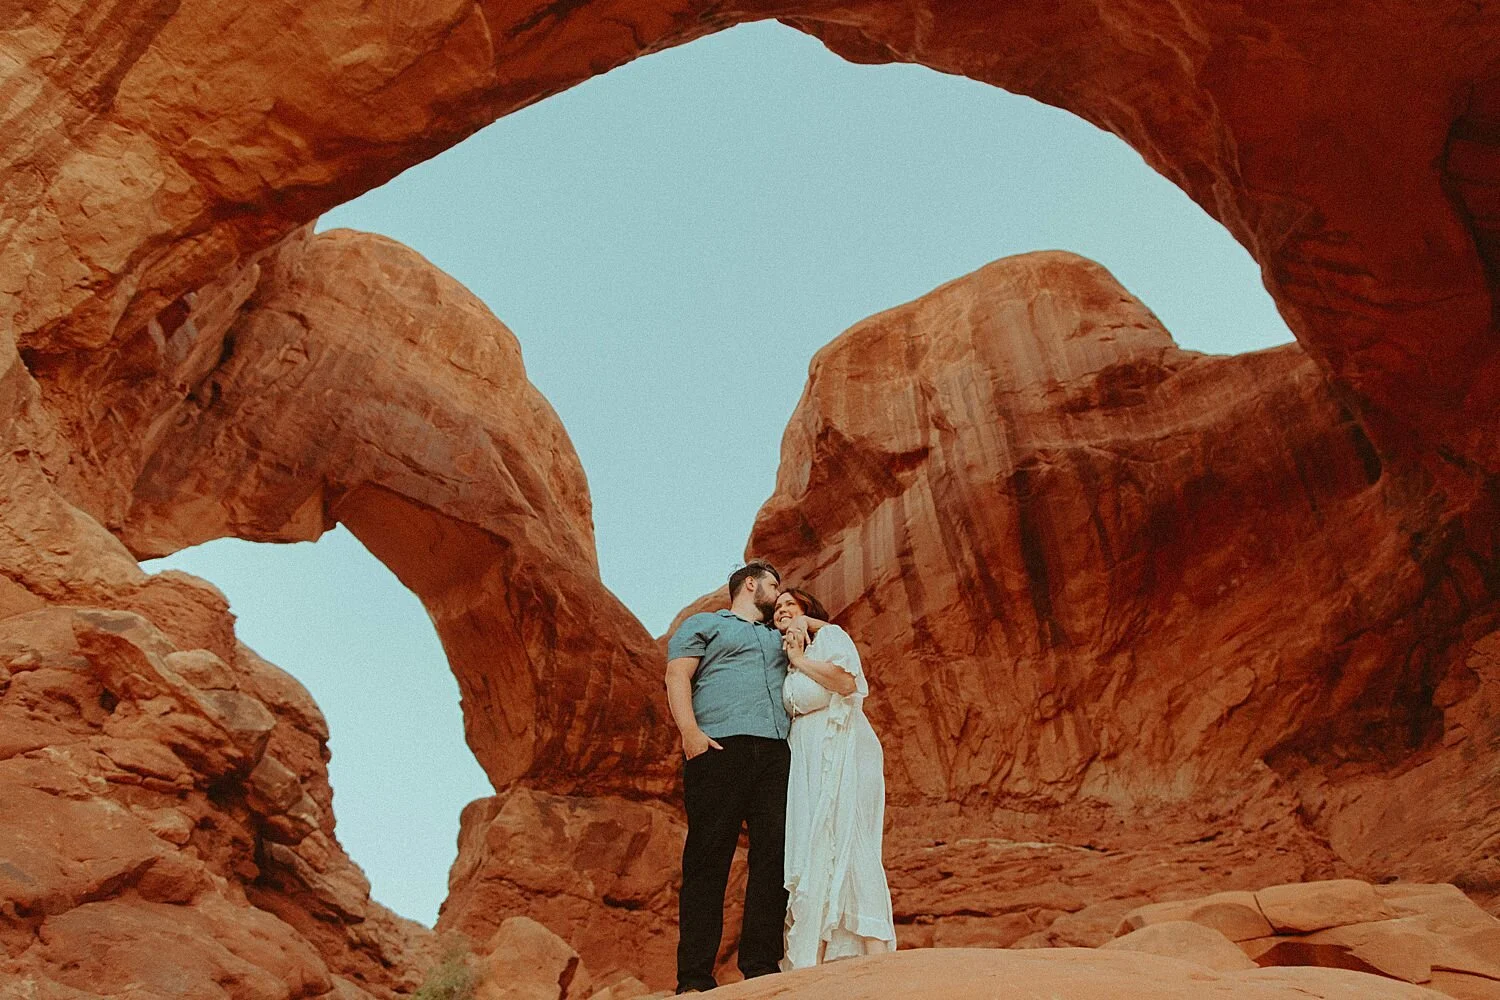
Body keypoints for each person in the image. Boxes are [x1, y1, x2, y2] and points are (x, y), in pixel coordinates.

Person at [664, 560, 791, 994]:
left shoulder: (782, 635)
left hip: (776, 754)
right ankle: (694, 978)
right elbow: (677, 674)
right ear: (750, 584)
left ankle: (759, 964)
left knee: (774, 857)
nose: (779, 592)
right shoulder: (705, 625)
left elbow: (826, 636)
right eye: (774, 584)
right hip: (719, 749)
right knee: (707, 860)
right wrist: (690, 733)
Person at [773, 587, 897, 968]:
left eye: (789, 605)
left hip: (843, 748)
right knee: (816, 847)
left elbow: (846, 684)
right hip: (808, 759)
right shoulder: (788, 665)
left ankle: (876, 952)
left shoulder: (830, 638)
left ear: (808, 612)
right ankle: (820, 958)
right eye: (776, 608)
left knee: (850, 837)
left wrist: (800, 652)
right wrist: (792, 657)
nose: (781, 610)